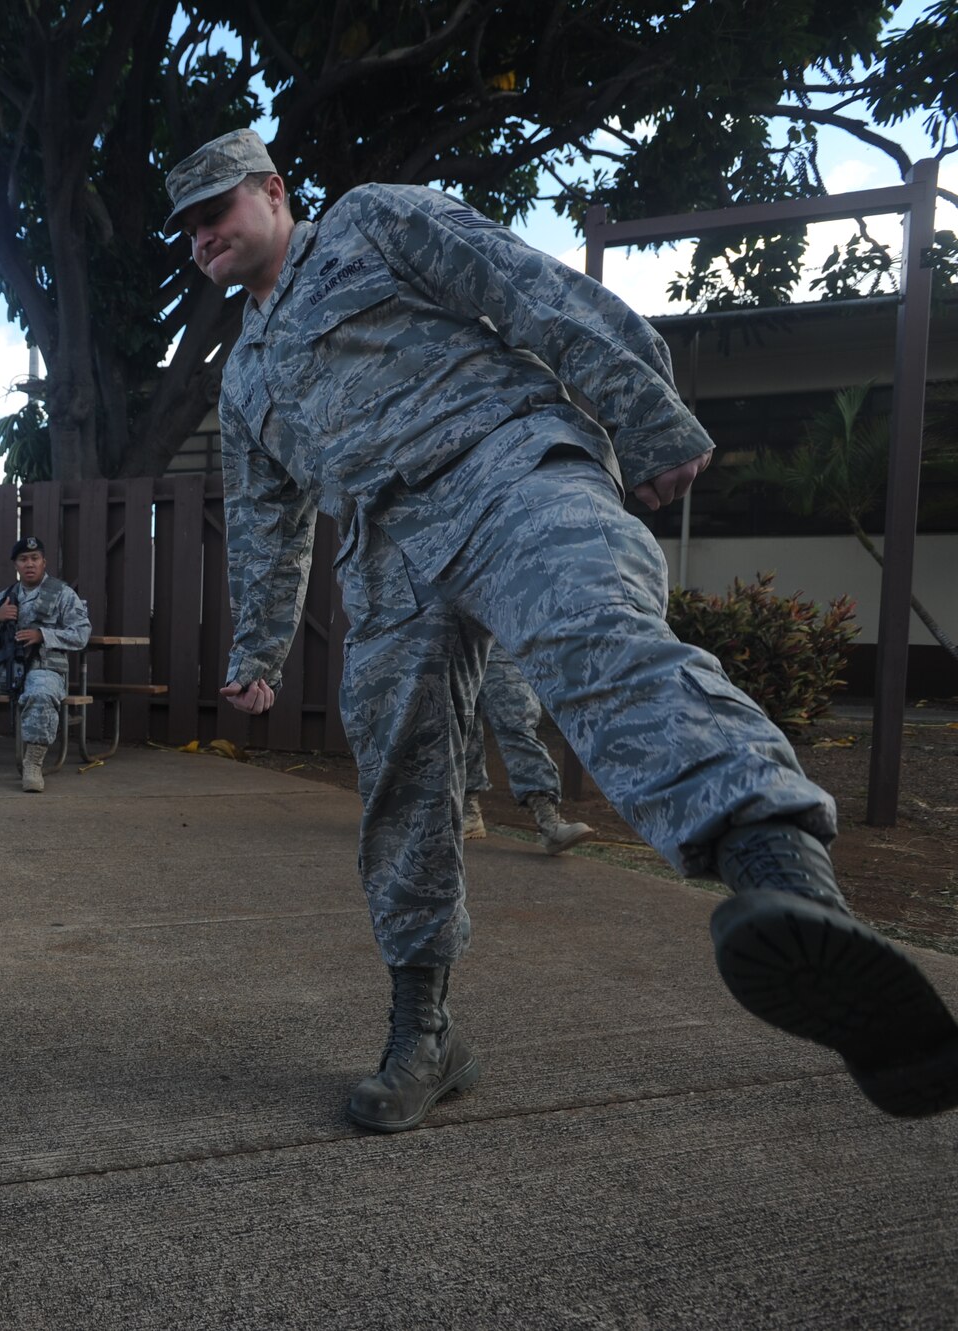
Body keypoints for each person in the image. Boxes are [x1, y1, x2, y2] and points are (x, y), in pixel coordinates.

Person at [165, 127, 957, 1130]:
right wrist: (256, 652)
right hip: (386, 553)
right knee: (401, 789)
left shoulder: (373, 221)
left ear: (273, 192)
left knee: (592, 634)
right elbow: (264, 522)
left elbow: (522, 287)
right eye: (187, 229)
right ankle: (425, 1029)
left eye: (216, 212)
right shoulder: (242, 376)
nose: (201, 237)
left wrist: (644, 408)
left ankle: (783, 880)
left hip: (502, 470)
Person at [0, 536, 89, 794]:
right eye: (23, 559)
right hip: (4, 667)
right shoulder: (7, 596)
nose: (29, 564)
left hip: (44, 668)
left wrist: (43, 634)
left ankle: (33, 764)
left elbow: (81, 633)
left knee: (41, 694)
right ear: (16, 565)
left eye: (34, 559)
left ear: (44, 562)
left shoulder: (62, 594)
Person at [461, 640, 596, 855]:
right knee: (457, 723)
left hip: (496, 637)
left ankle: (549, 819)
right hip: (445, 635)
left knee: (516, 720)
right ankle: (467, 810)